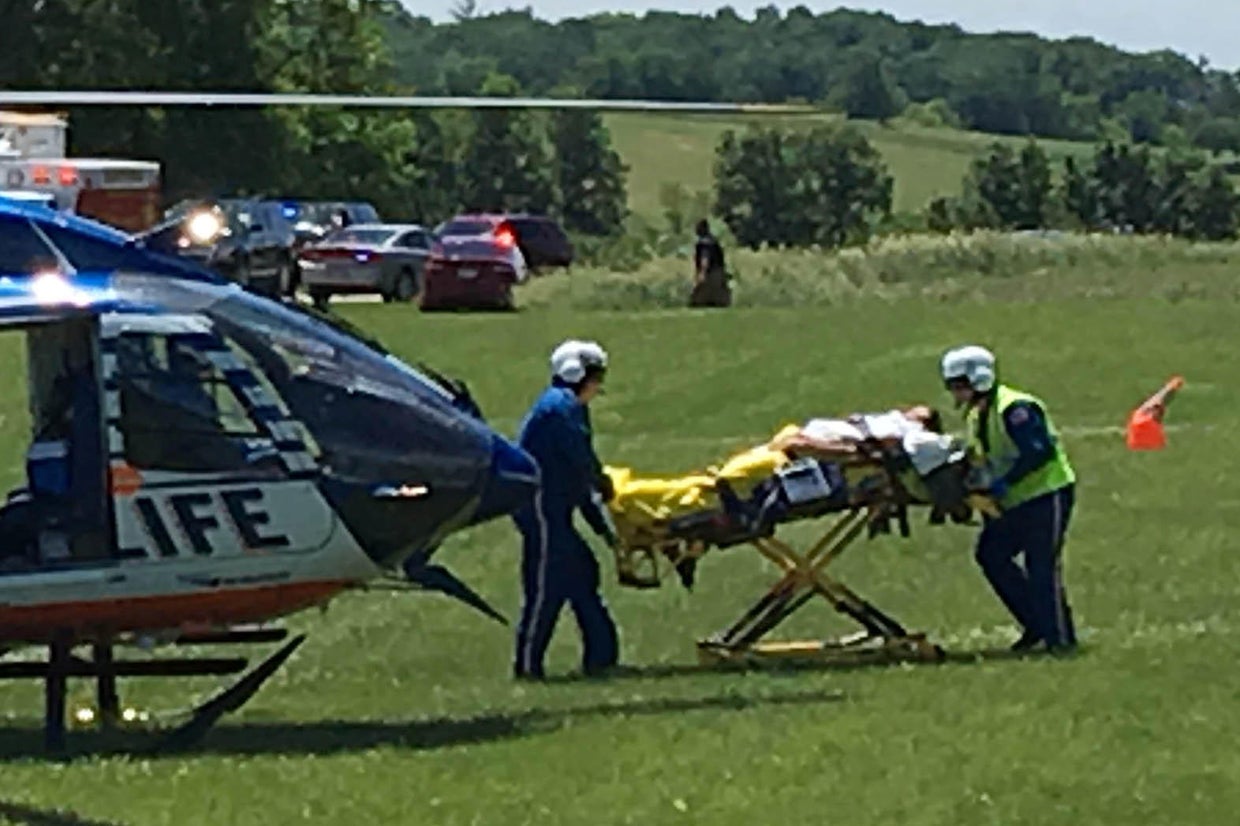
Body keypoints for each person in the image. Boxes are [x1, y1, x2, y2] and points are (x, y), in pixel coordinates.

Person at [940, 345, 1078, 654]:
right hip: (1012, 500)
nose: (956, 394)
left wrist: (1005, 483)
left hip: (1045, 494)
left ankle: (1060, 639)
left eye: (960, 385)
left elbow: (1038, 451)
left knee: (1041, 565)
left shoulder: (1016, 409)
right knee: (991, 554)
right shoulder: (977, 415)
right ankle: (1036, 624)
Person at [512, 339, 621, 680]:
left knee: (582, 573)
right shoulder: (559, 409)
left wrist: (602, 527)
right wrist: (601, 481)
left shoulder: (571, 406)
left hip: (558, 508)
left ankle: (601, 658)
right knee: (545, 587)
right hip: (541, 509)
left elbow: (579, 477)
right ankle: (528, 666)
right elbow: (580, 462)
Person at [689, 219, 731, 308]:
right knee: (718, 300)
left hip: (710, 274)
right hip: (718, 272)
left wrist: (702, 273)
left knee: (700, 299)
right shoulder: (714, 241)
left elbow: (705, 258)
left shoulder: (704, 243)